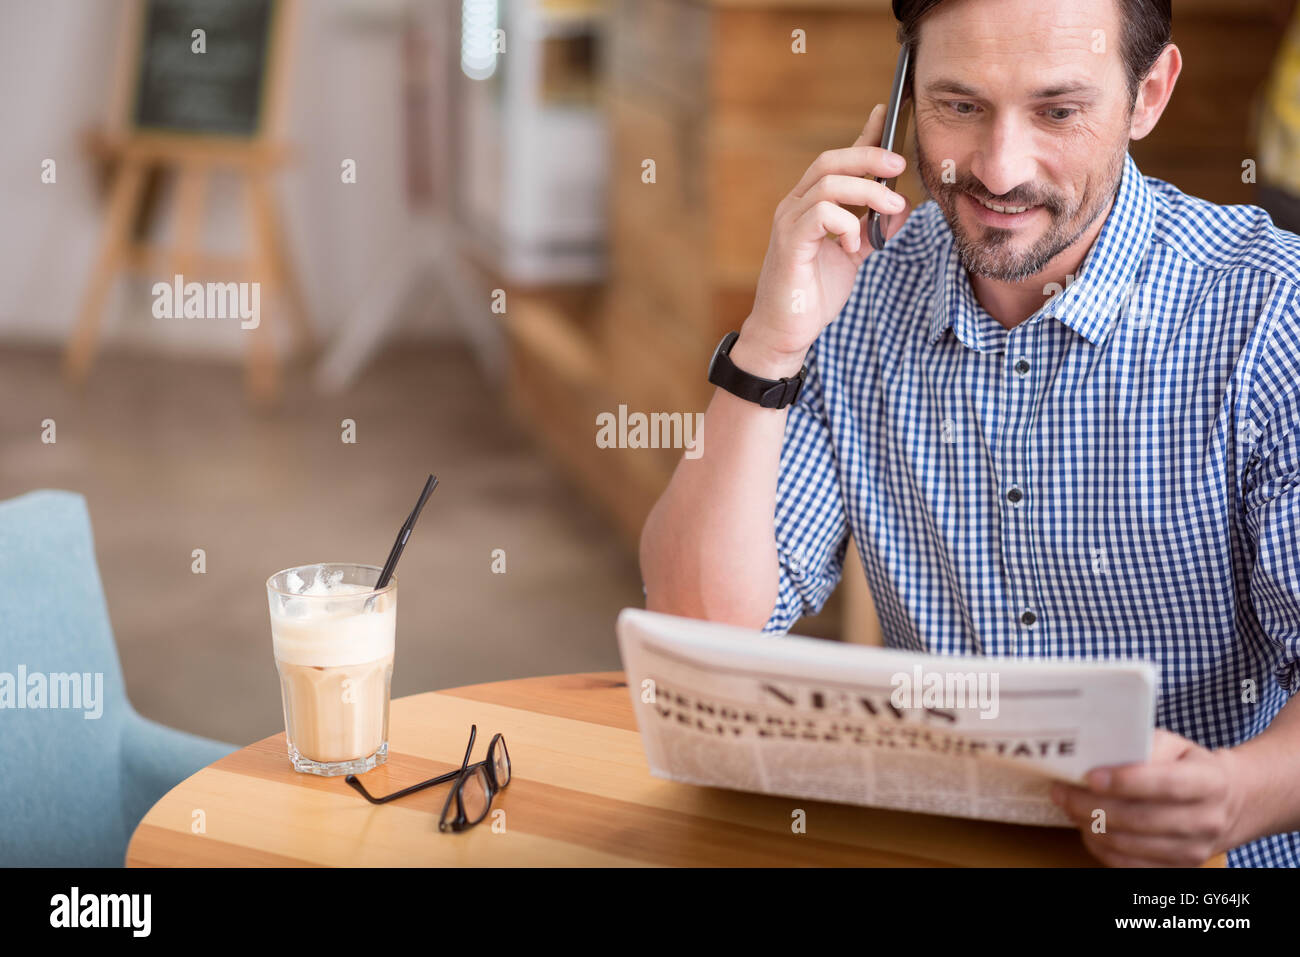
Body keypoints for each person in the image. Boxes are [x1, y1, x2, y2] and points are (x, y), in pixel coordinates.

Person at [639, 0, 1300, 868]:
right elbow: (700, 629)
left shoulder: (1271, 313)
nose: (998, 168)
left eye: (1058, 112)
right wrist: (770, 340)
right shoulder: (857, 290)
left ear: (1149, 94)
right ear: (906, 89)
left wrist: (1237, 794)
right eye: (959, 106)